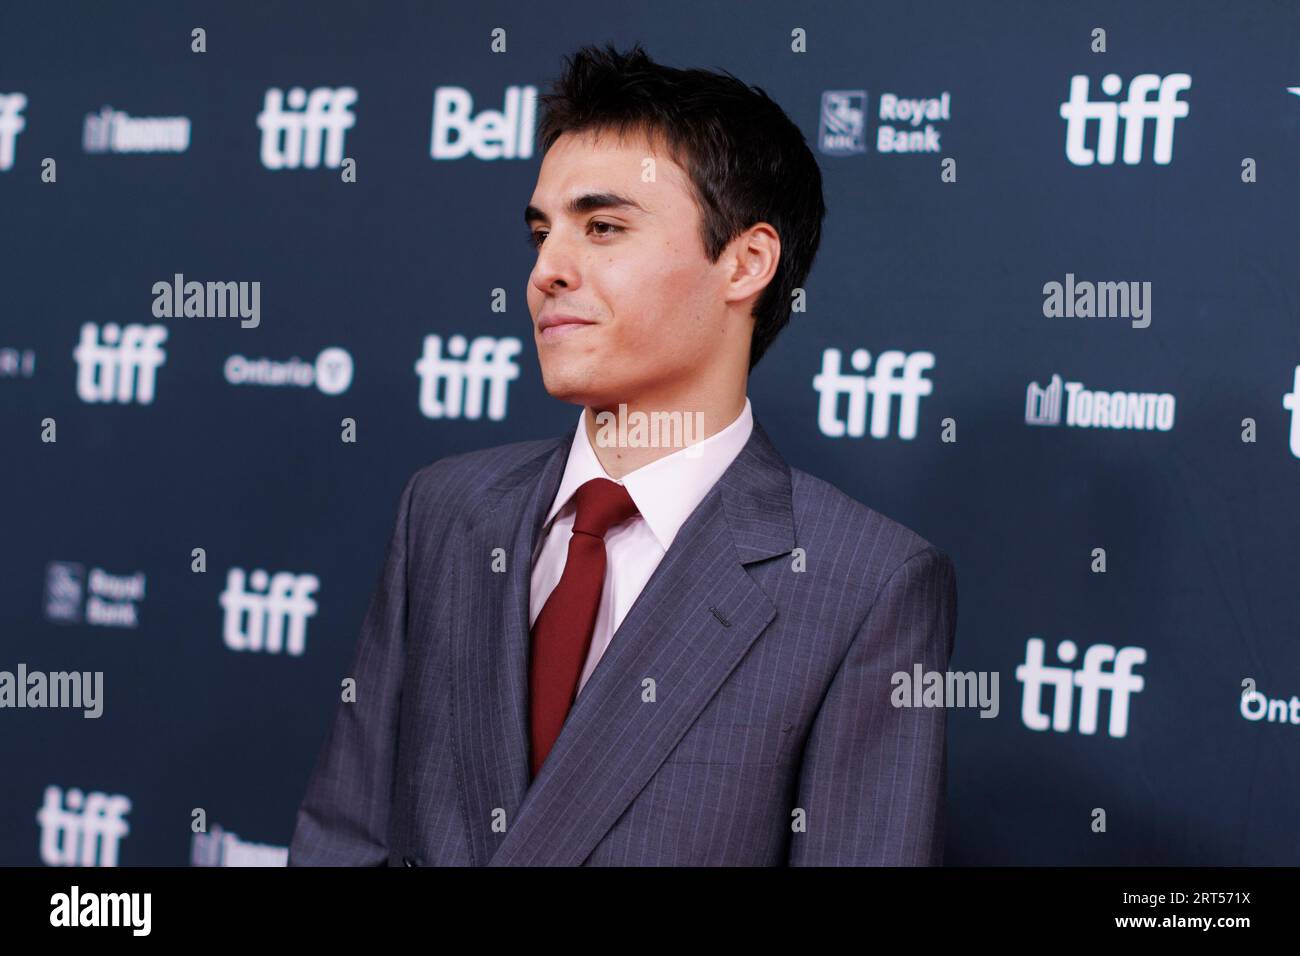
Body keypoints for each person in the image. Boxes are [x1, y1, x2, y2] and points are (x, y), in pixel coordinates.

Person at [288, 41, 957, 866]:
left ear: (745, 263)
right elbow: (344, 840)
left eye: (602, 227)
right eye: (541, 233)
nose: (546, 271)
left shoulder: (865, 584)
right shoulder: (446, 510)